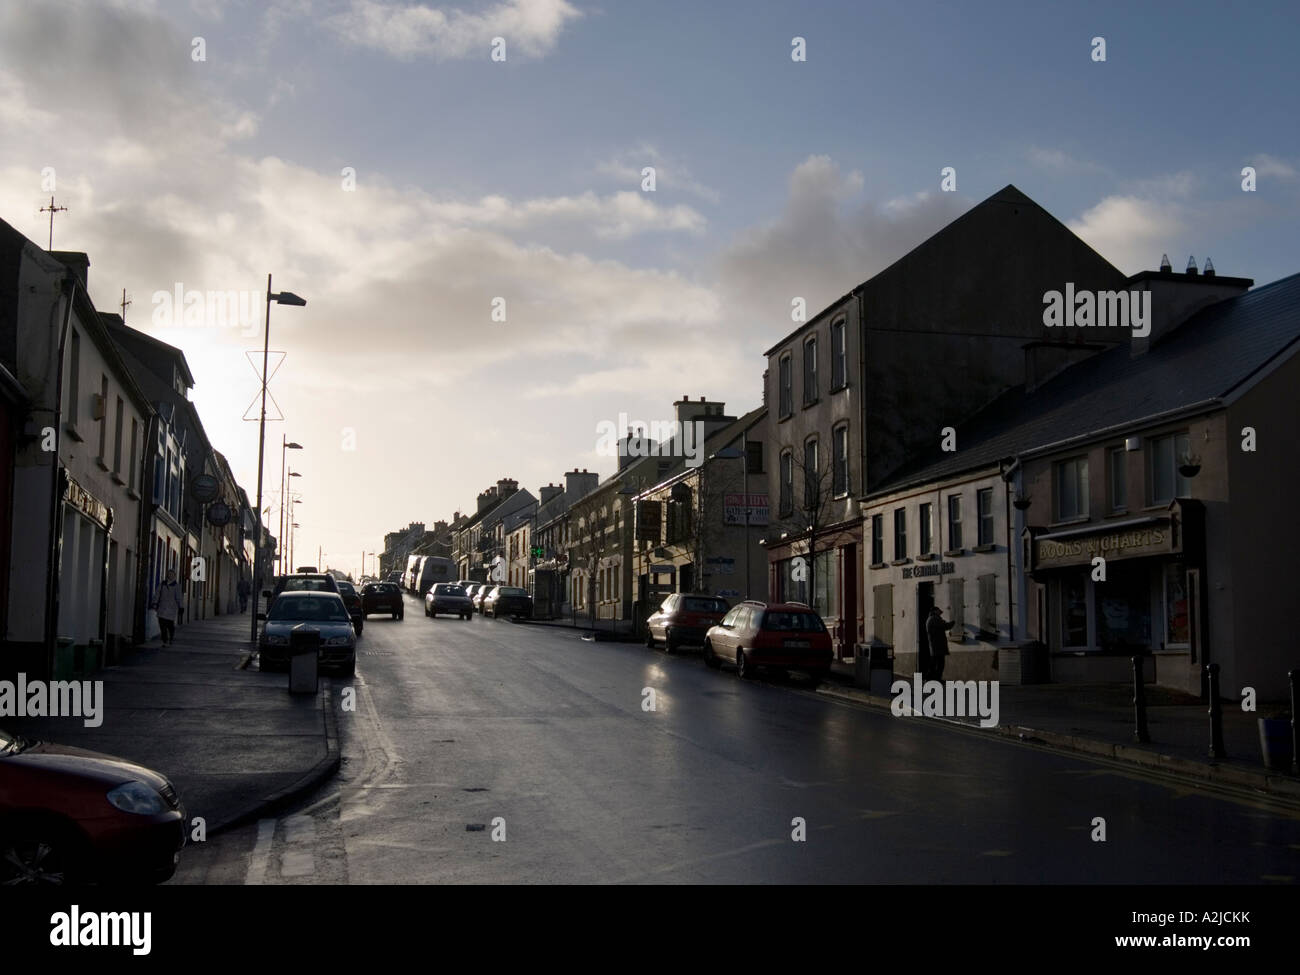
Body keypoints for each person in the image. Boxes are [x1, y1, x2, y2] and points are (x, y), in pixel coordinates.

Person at [925, 605, 956, 681]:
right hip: (938, 646)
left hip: (936, 646)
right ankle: (935, 679)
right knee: (939, 664)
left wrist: (940, 614)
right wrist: (954, 621)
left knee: (935, 663)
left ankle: (930, 678)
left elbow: (942, 624)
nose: (940, 612)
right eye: (938, 610)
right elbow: (946, 626)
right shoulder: (934, 619)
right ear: (935, 611)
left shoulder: (932, 618)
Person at [153, 569, 182, 646]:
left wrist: (181, 607)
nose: (170, 576)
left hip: (171, 609)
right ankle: (165, 640)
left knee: (170, 625)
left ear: (174, 576)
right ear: (167, 575)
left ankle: (170, 638)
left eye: (172, 574)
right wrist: (155, 603)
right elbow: (157, 594)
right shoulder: (162, 584)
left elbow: (179, 597)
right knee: (162, 625)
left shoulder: (177, 586)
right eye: (169, 574)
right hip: (162, 608)